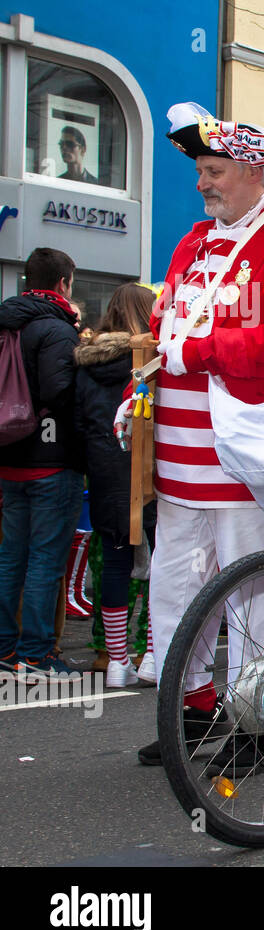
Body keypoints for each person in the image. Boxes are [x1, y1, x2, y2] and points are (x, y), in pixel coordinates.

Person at [126, 102, 264, 770]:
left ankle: (258, 726)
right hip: (178, 458)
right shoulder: (192, 242)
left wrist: (210, 350)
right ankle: (190, 709)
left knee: (249, 593)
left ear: (253, 169)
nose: (202, 183)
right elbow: (169, 328)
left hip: (243, 454)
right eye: (200, 171)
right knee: (175, 589)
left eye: (214, 170)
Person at [0, 247, 86, 682]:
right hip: (51, 459)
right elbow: (59, 392)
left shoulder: (8, 321)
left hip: (9, 456)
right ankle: (35, 655)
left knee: (10, 556)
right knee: (45, 560)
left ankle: (4, 647)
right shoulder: (55, 329)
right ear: (63, 282)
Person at [74, 282, 158, 687]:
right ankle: (154, 654)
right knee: (163, 564)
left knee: (116, 564)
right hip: (152, 471)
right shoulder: (153, 359)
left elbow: (79, 422)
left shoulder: (87, 365)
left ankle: (116, 661)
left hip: (106, 471)